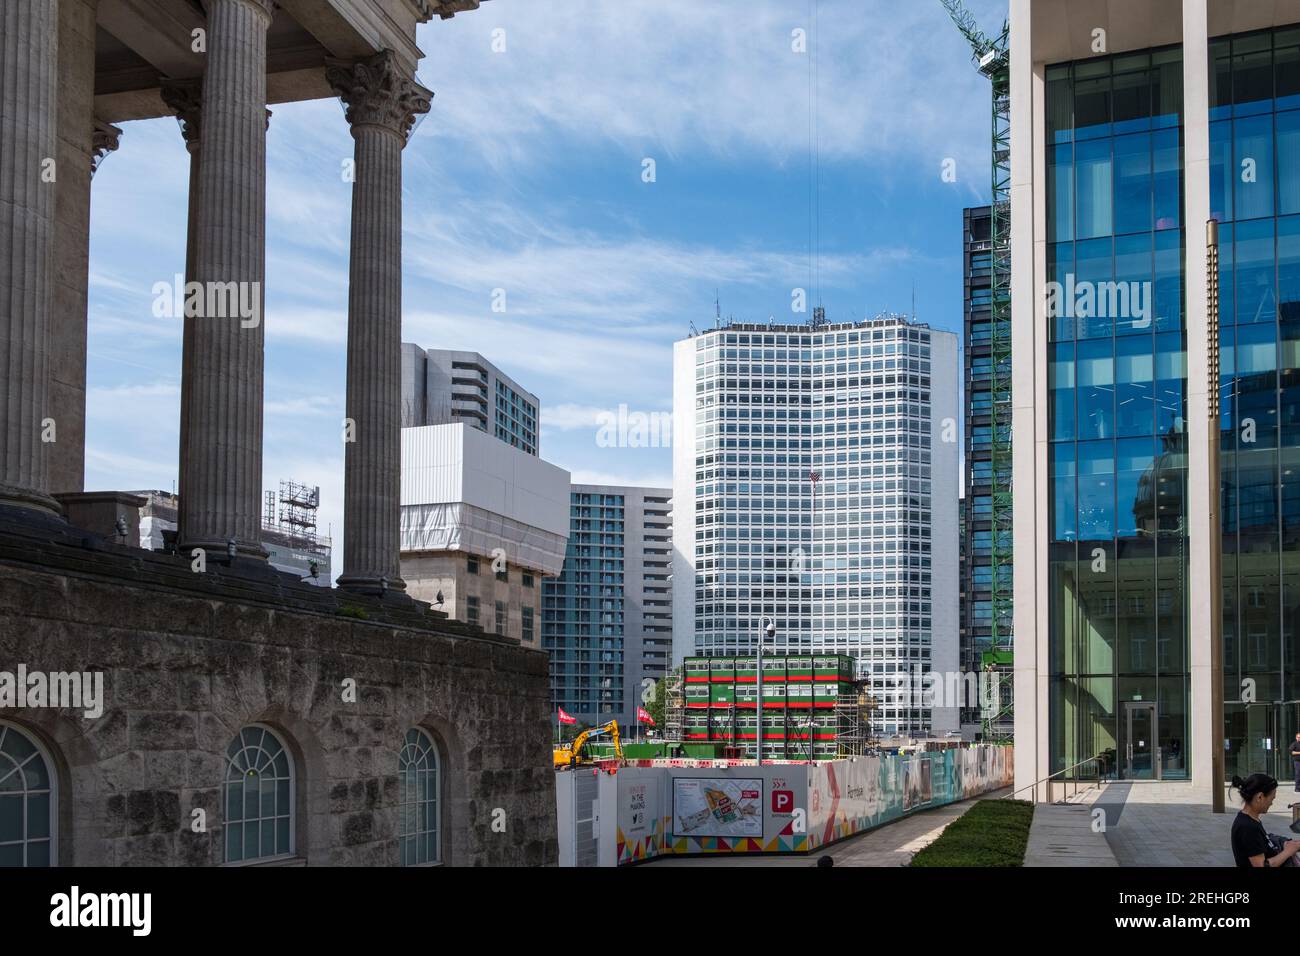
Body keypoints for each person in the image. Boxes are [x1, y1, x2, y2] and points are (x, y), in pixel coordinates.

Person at [1230, 773, 1300, 867]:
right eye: (1271, 798)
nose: (1271, 803)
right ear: (1260, 797)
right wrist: (1288, 851)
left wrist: (1285, 843)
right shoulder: (1248, 827)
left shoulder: (1251, 820)